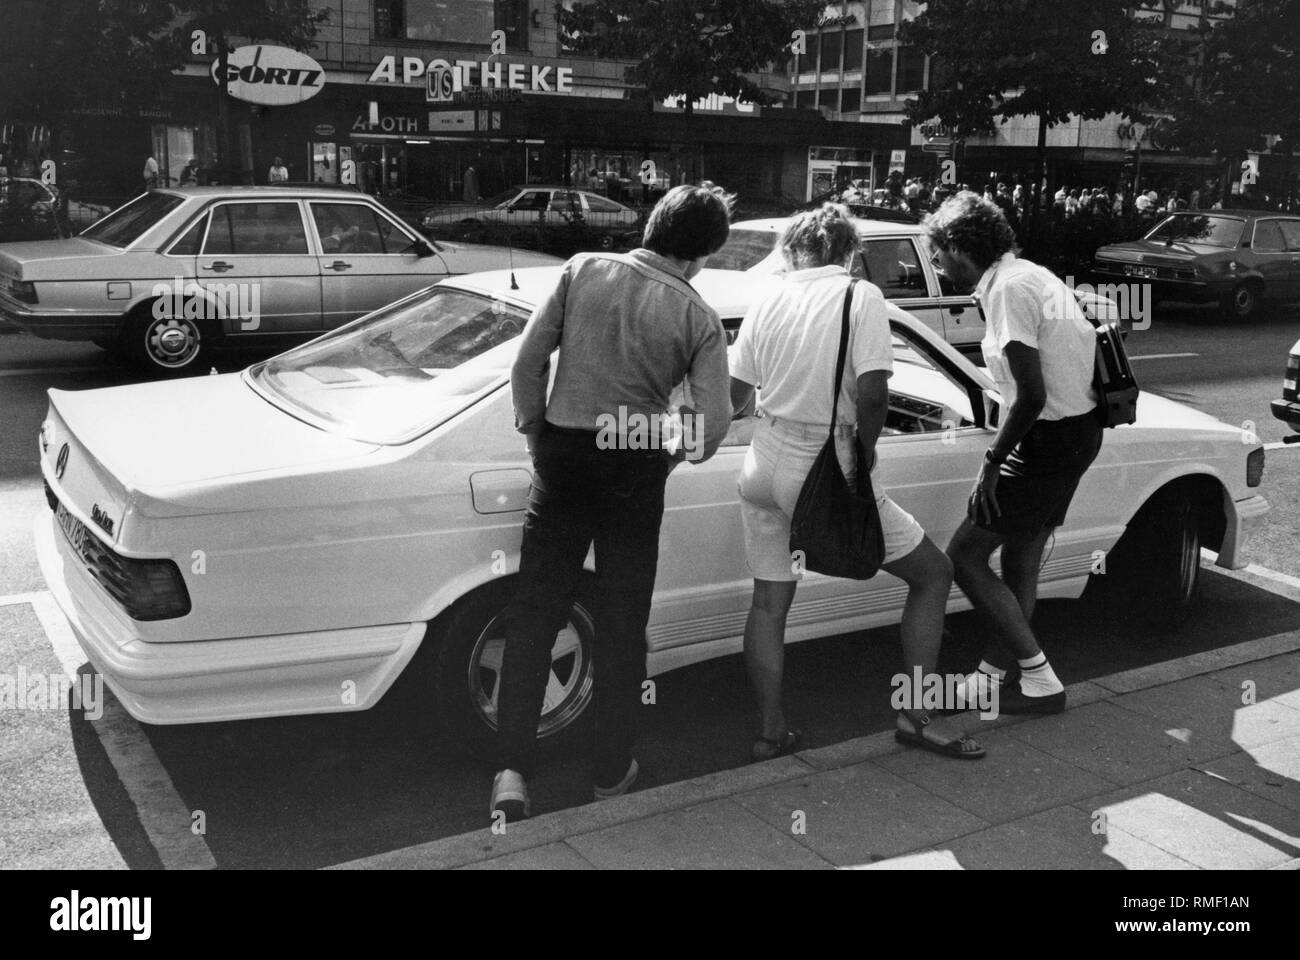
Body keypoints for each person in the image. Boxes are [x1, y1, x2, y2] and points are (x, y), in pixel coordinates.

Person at [490, 182, 736, 822]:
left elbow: (527, 364)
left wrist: (536, 430)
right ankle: (609, 767)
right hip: (635, 469)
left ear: (653, 224)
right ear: (706, 250)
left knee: (537, 608)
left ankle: (513, 769)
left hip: (564, 456)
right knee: (625, 619)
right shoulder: (698, 316)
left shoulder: (581, 270)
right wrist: (669, 448)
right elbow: (711, 430)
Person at [729, 204, 984, 762]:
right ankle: (916, 715)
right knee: (934, 574)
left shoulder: (767, 296)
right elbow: (874, 395)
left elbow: (735, 395)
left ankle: (771, 730)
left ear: (794, 249)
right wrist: (861, 456)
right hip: (824, 462)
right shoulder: (858, 295)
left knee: (770, 602)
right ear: (848, 252)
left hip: (762, 462)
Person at [926, 192, 1102, 716]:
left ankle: (1042, 682)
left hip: (1047, 441)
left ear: (959, 247)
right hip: (1076, 433)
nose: (936, 263)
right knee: (1021, 558)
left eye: (937, 252)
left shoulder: (1008, 290)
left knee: (963, 555)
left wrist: (992, 463)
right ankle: (990, 679)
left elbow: (1031, 394)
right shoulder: (1029, 275)